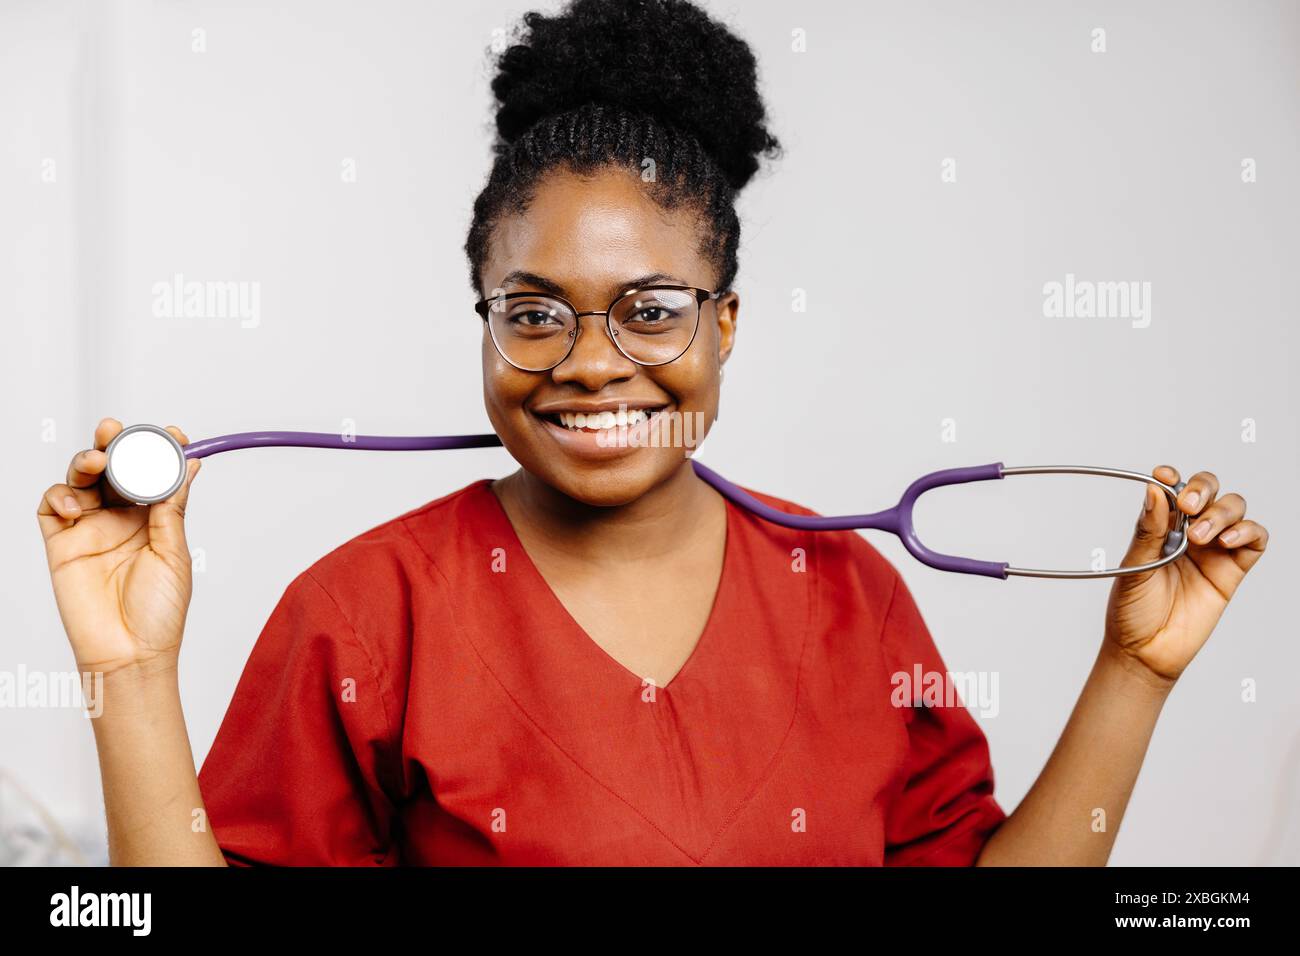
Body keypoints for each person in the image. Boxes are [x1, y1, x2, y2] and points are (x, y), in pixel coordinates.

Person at [37, 0, 1268, 866]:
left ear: (725, 324)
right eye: (533, 312)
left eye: (651, 310)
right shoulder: (365, 612)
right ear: (481, 318)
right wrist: (131, 673)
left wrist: (1134, 673)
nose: (587, 361)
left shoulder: (853, 603)